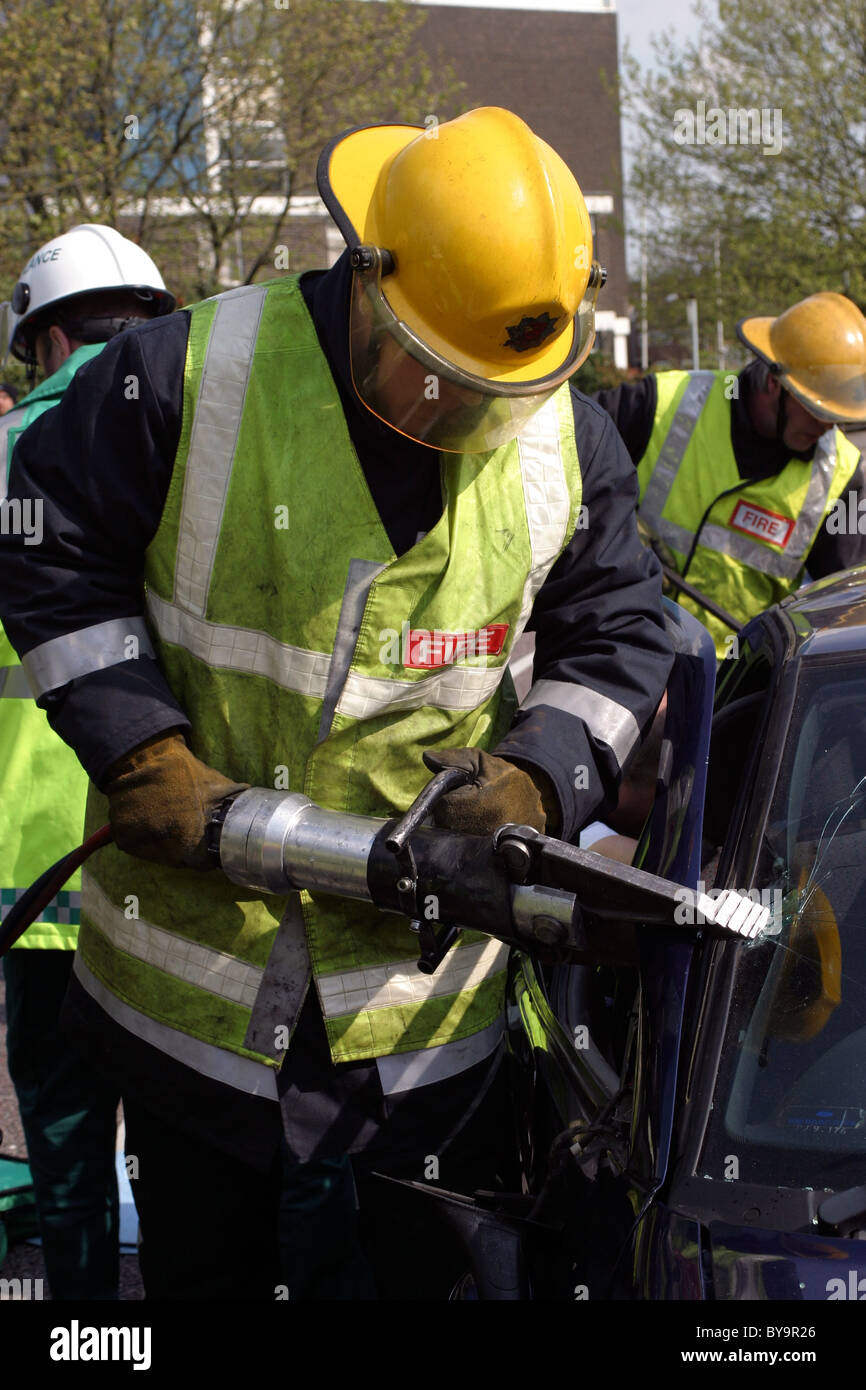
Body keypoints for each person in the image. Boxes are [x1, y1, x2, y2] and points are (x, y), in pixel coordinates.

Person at [0, 108, 673, 1300]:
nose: (449, 412)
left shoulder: (563, 441)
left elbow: (618, 633)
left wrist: (536, 775)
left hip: (423, 1029)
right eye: (424, 371)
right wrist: (139, 748)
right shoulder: (183, 380)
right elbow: (47, 547)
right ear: (363, 273)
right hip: (191, 1004)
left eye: (477, 388)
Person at [0, 224, 174, 1299]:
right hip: (171, 851)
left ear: (47, 334)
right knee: (182, 1134)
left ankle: (79, 1330)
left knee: (64, 1146)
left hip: (32, 868)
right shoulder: (207, 440)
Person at [596, 292, 866, 656]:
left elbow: (844, 609)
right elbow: (570, 447)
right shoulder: (663, 404)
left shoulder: (844, 476)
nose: (828, 427)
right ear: (775, 383)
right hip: (630, 655)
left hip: (741, 689)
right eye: (816, 409)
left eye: (837, 414)